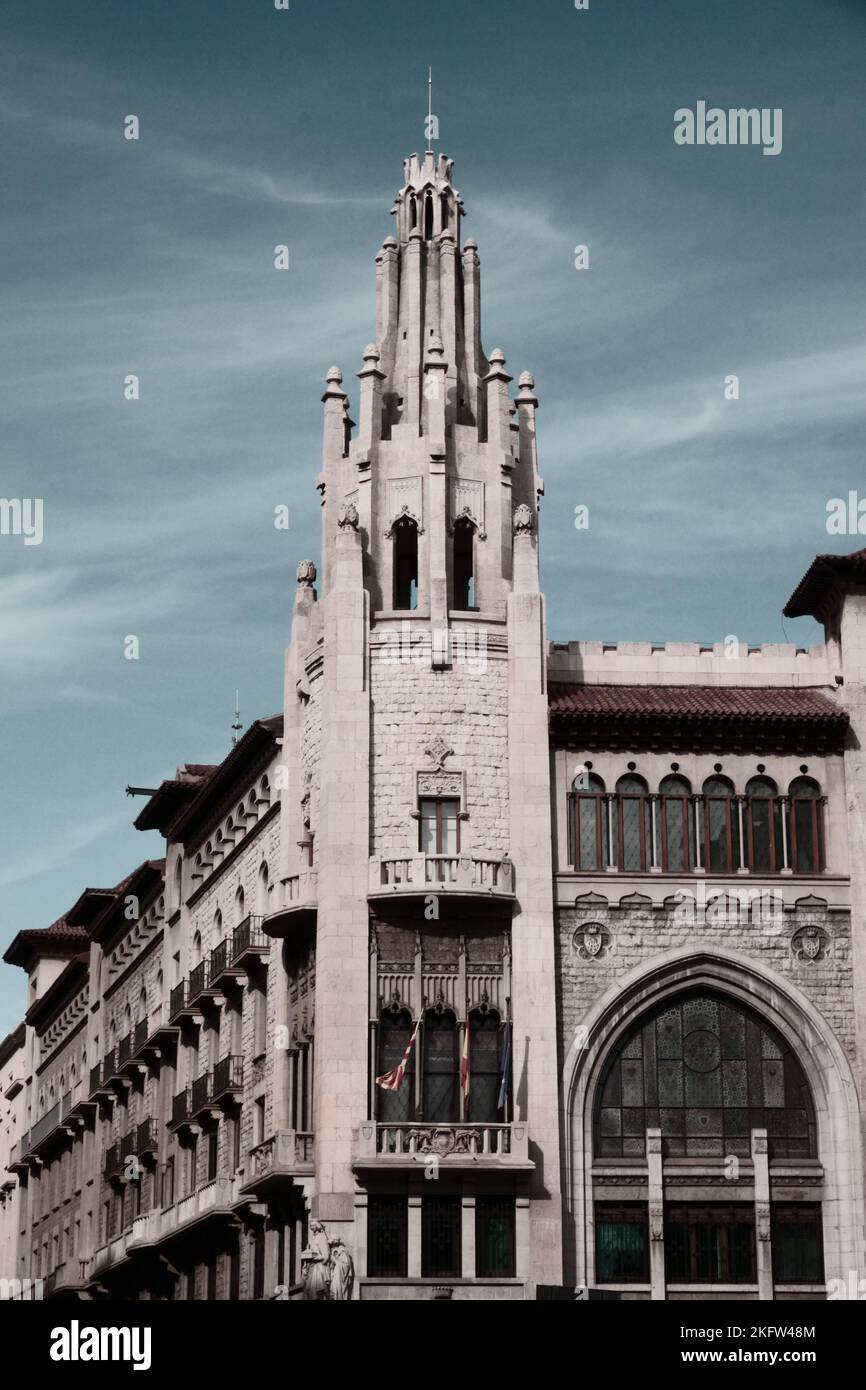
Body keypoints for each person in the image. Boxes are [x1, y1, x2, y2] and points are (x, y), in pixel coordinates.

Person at [300, 1220, 331, 1300]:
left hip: (319, 1266)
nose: (312, 1227)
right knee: (309, 1289)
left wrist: (318, 1257)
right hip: (311, 1264)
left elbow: (326, 1254)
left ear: (317, 1226)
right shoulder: (313, 1237)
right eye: (311, 1225)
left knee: (318, 1289)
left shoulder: (321, 1236)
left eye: (313, 1225)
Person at [329, 1237, 355, 1302]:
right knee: (334, 1289)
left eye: (333, 1244)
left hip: (340, 1275)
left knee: (339, 1290)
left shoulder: (342, 1251)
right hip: (335, 1274)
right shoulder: (333, 1251)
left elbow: (347, 1265)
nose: (332, 1246)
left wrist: (335, 1260)